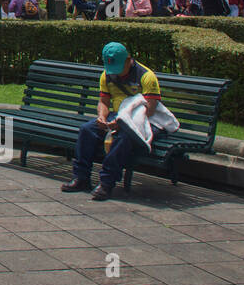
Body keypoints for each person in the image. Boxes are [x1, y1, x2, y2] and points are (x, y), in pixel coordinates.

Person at [61, 42, 177, 201]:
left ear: (128, 60)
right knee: (87, 130)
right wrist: (102, 116)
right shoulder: (106, 74)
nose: (115, 73)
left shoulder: (146, 76)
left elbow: (149, 109)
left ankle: (107, 183)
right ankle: (81, 177)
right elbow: (103, 101)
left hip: (142, 119)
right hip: (116, 115)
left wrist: (123, 121)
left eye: (119, 68)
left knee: (123, 137)